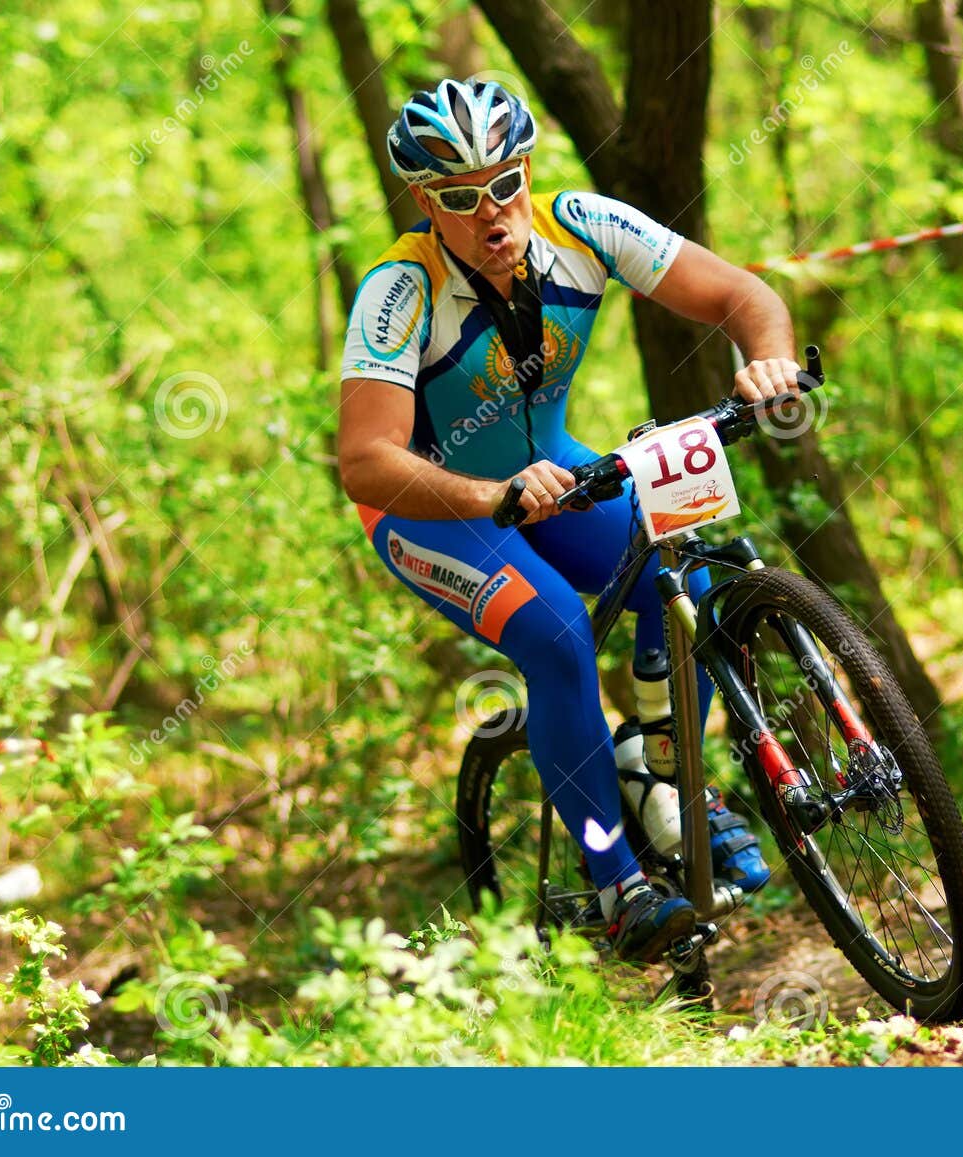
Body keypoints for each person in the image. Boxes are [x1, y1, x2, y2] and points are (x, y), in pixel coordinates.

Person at [337, 78, 800, 964]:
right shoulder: (399, 292)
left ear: (528, 173)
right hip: (433, 507)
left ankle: (672, 788)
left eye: (505, 184)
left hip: (554, 471)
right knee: (555, 636)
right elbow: (365, 460)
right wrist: (488, 496)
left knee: (689, 582)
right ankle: (614, 879)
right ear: (425, 201)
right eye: (462, 199)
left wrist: (770, 362)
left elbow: (743, 294)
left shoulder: (584, 224)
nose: (492, 213)